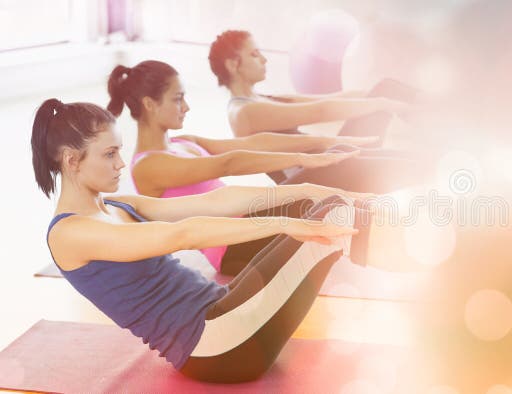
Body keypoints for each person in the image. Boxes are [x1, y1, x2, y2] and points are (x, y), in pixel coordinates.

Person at [33, 98, 390, 382]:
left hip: (227, 312)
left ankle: (403, 227)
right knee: (327, 218)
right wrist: (286, 223)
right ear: (71, 160)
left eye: (119, 151)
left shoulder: (116, 204)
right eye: (109, 154)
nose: (121, 164)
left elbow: (213, 201)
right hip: (219, 348)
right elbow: (183, 234)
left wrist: (305, 190)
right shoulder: (70, 233)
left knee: (324, 204)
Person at [107, 60, 423, 274]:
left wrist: (319, 145)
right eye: (177, 99)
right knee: (319, 187)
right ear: (149, 104)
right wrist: (304, 158)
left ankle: (412, 222)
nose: (186, 107)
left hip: (254, 221)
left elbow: (254, 145)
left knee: (331, 181)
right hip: (235, 247)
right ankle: (414, 248)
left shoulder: (182, 142)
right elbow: (228, 163)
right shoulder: (148, 167)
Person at [209, 29, 419, 145]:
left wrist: (368, 95)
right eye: (254, 54)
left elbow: (333, 98)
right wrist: (382, 102)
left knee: (385, 88)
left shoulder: (260, 99)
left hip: (328, 161)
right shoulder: (245, 111)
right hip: (318, 173)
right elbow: (321, 110)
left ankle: (436, 118)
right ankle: (441, 117)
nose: (263, 59)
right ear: (232, 64)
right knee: (387, 92)